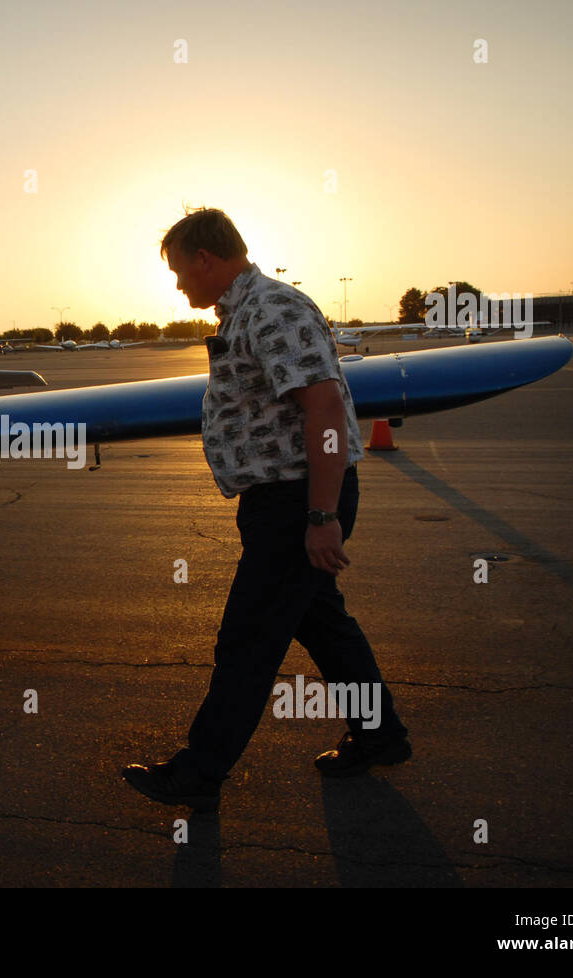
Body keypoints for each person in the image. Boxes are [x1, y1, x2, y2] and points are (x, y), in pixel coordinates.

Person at [122, 208, 411, 813]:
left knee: (248, 639)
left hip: (298, 500)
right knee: (324, 625)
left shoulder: (274, 309)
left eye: (179, 271)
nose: (177, 285)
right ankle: (380, 735)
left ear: (206, 259)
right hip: (285, 500)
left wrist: (321, 515)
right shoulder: (245, 312)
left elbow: (326, 408)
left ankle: (201, 770)